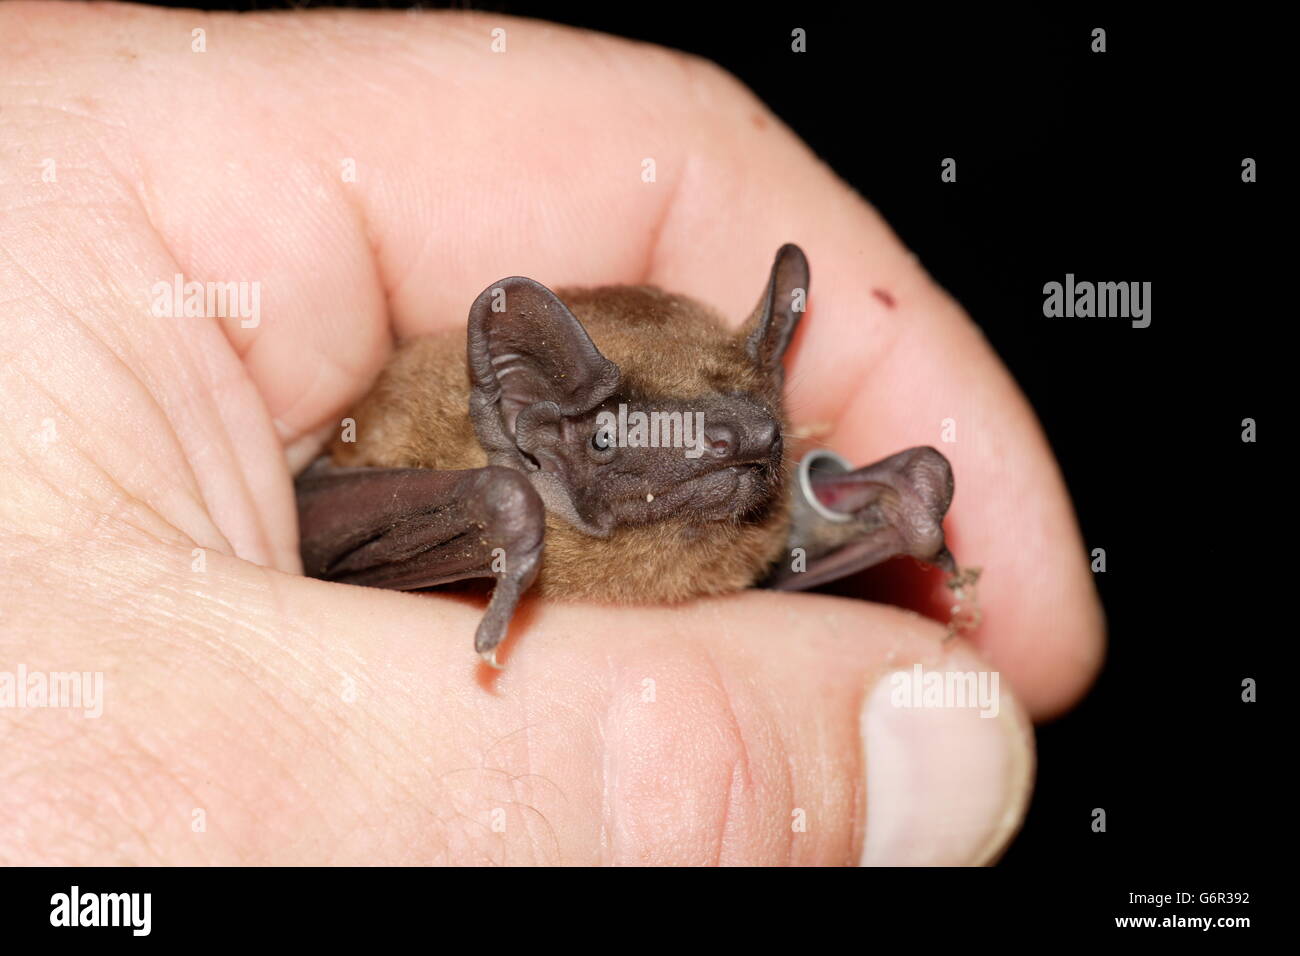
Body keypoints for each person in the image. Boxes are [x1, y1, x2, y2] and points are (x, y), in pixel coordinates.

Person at [0, 3, 1103, 865]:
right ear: (539, 429)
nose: (740, 450)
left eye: (748, 421)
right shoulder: (497, 495)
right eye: (643, 434)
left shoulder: (742, 497)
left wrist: (871, 506)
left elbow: (754, 461)